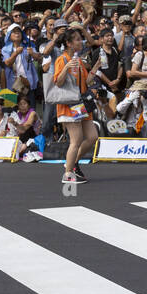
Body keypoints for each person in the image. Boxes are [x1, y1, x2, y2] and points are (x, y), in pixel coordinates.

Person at [54, 27, 97, 185]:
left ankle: (72, 163)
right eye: (78, 39)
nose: (81, 42)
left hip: (81, 103)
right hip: (69, 104)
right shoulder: (62, 59)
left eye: (81, 39)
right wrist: (66, 67)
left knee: (92, 137)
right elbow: (58, 82)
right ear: (69, 43)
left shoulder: (78, 60)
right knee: (76, 140)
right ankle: (68, 173)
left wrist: (96, 67)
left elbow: (85, 82)